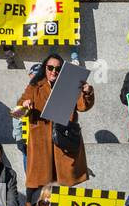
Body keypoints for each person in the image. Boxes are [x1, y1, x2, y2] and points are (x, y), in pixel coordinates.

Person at [14, 52, 95, 198]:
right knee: (40, 192)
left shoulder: (69, 85)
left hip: (64, 142)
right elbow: (19, 108)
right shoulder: (34, 86)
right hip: (41, 145)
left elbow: (83, 106)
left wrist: (87, 92)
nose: (54, 71)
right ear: (45, 68)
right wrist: (25, 105)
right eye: (50, 68)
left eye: (58, 69)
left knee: (65, 192)